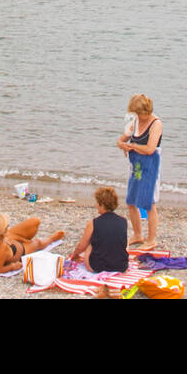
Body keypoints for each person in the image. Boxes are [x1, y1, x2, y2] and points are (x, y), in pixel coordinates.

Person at [118, 94, 162, 249]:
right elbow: (121, 140)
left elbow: (150, 149)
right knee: (131, 200)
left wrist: (133, 146)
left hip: (150, 165)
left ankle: (151, 240)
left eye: (140, 114)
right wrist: (124, 145)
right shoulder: (134, 121)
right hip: (136, 165)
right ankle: (137, 234)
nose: (138, 117)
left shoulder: (156, 124)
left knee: (149, 202)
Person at [68, 187, 129, 272]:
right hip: (121, 266)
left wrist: (74, 255)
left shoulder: (93, 223)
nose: (95, 205)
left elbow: (81, 246)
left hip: (97, 266)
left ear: (102, 204)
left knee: (90, 243)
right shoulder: (123, 221)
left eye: (97, 202)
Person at [0, 214, 64, 274]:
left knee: (34, 222)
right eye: (6, 227)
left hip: (10, 239)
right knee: (37, 243)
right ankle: (51, 239)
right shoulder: (2, 248)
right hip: (21, 250)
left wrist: (7, 238)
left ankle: (25, 239)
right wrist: (13, 266)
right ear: (3, 231)